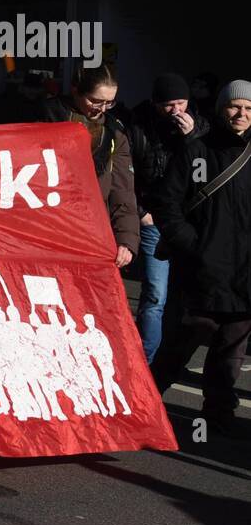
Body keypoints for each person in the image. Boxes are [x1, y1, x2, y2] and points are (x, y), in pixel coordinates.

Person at [150, 80, 251, 436]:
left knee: (230, 352)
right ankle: (144, 406)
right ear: (221, 108)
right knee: (179, 346)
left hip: (244, 275)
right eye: (234, 106)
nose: (241, 114)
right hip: (201, 271)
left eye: (249, 109)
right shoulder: (197, 152)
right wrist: (194, 246)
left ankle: (218, 415)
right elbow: (168, 204)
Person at [126, 73, 209, 362]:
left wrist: (192, 138)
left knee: (183, 296)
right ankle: (144, 362)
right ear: (155, 104)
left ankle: (167, 360)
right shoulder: (137, 127)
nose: (176, 111)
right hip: (154, 221)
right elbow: (125, 175)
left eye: (181, 103)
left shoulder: (201, 129)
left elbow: (205, 172)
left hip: (188, 222)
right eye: (168, 104)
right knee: (154, 295)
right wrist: (141, 213)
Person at [39, 64, 138, 269]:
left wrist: (126, 240)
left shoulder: (114, 133)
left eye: (109, 103)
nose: (101, 109)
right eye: (95, 100)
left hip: (90, 233)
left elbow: (122, 192)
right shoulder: (44, 117)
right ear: (76, 89)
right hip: (45, 228)